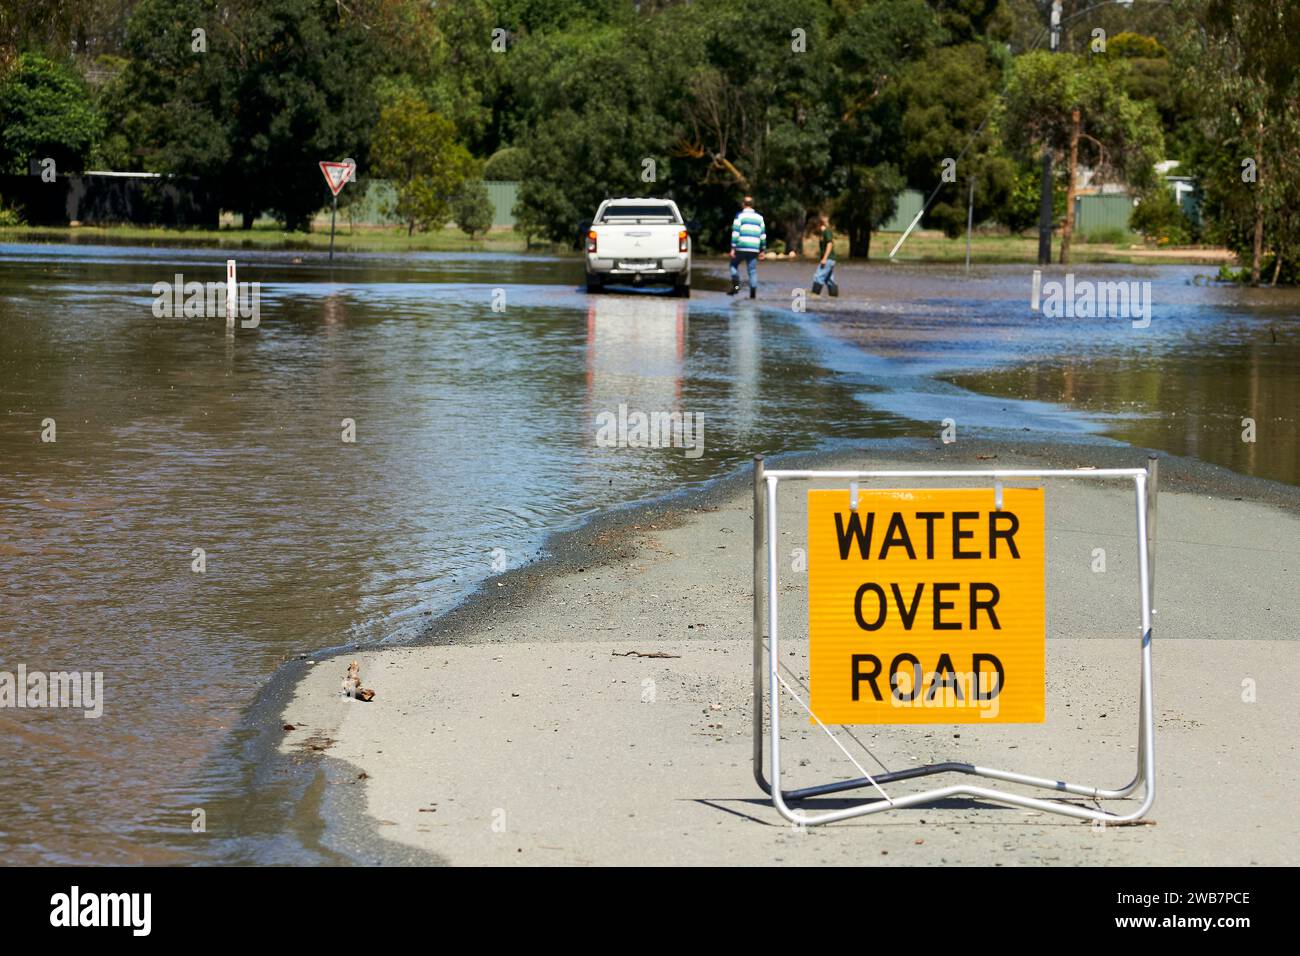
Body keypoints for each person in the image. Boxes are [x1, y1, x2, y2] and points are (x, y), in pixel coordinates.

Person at [728, 196, 766, 299]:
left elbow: (735, 233)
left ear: (743, 204)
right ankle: (753, 294)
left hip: (741, 246)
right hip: (754, 247)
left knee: (733, 265)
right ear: (752, 205)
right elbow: (762, 235)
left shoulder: (739, 216)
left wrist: (733, 248)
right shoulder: (759, 217)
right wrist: (762, 250)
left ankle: (736, 285)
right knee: (752, 270)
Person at [811, 214, 838, 297]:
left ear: (819, 224)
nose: (814, 229)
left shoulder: (827, 231)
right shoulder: (822, 233)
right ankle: (833, 297)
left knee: (818, 276)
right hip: (829, 259)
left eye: (814, 227)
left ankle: (814, 295)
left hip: (829, 259)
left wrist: (824, 259)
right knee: (829, 280)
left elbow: (829, 244)